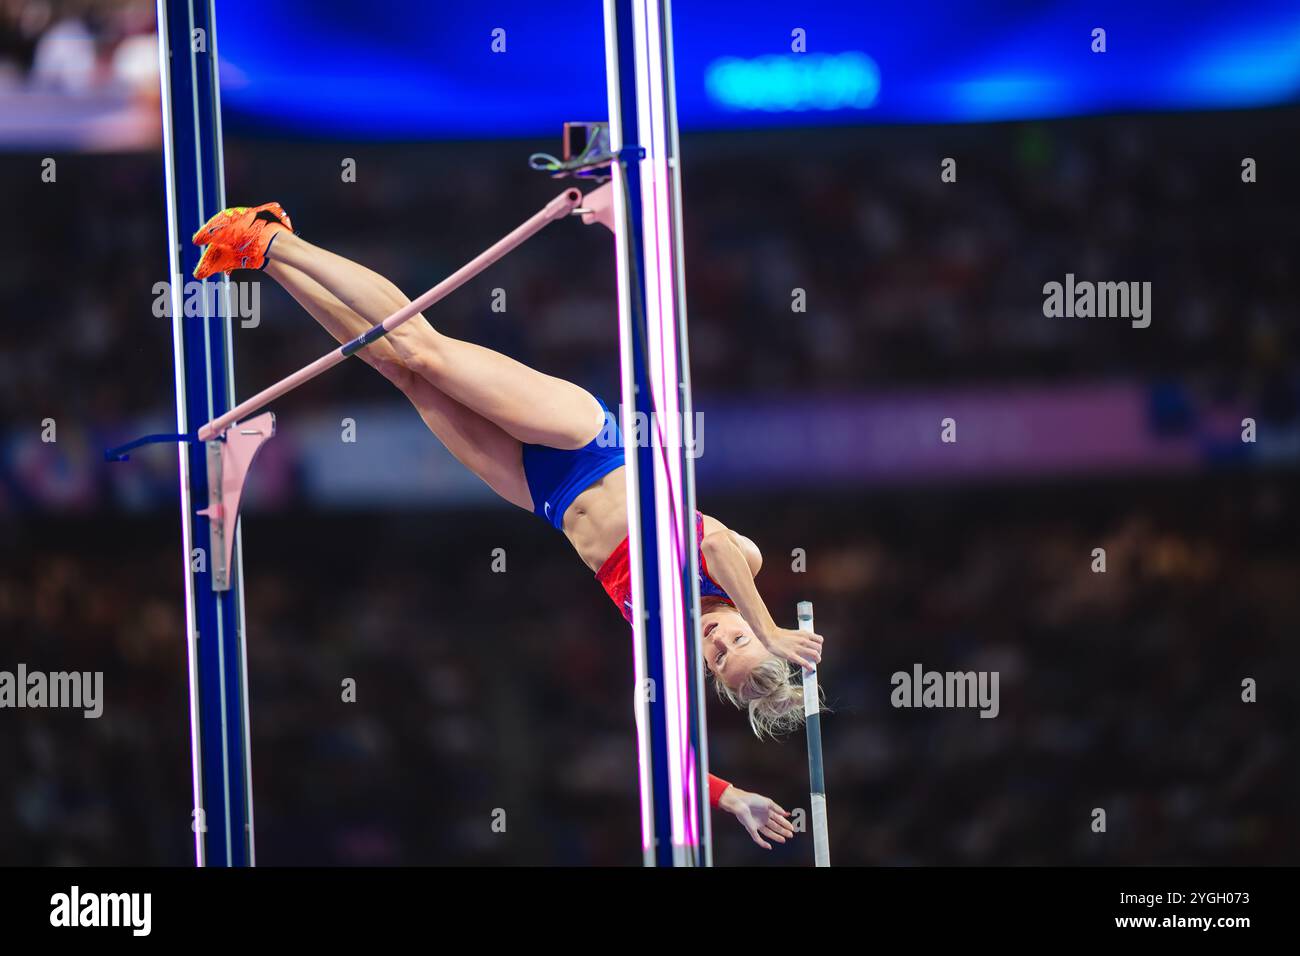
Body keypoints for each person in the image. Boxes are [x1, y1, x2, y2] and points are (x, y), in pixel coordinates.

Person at [191, 202, 824, 850]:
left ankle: (265, 258)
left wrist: (732, 797)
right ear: (752, 624)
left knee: (397, 370)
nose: (718, 644)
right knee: (422, 349)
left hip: (541, 494)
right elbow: (713, 541)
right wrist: (772, 630)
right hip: (585, 442)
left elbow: (663, 758)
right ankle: (270, 239)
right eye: (737, 641)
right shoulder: (739, 564)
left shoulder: (666, 652)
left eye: (721, 662)